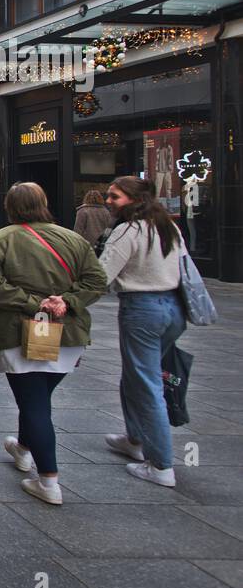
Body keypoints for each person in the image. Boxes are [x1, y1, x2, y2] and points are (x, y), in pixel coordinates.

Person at [0, 182, 107, 506]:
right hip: (67, 333)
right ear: (44, 202)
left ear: (9, 207)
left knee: (34, 403)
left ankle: (48, 480)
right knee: (37, 398)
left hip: (18, 332)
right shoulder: (73, 239)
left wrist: (34, 303)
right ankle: (22, 448)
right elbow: (97, 281)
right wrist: (65, 301)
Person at [99, 176, 188, 488]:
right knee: (137, 376)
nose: (108, 201)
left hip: (143, 309)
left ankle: (161, 464)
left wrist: (69, 301)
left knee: (146, 383)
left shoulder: (128, 231)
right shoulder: (167, 227)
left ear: (135, 200)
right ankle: (135, 438)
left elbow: (101, 275)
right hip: (173, 309)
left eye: (115, 197)